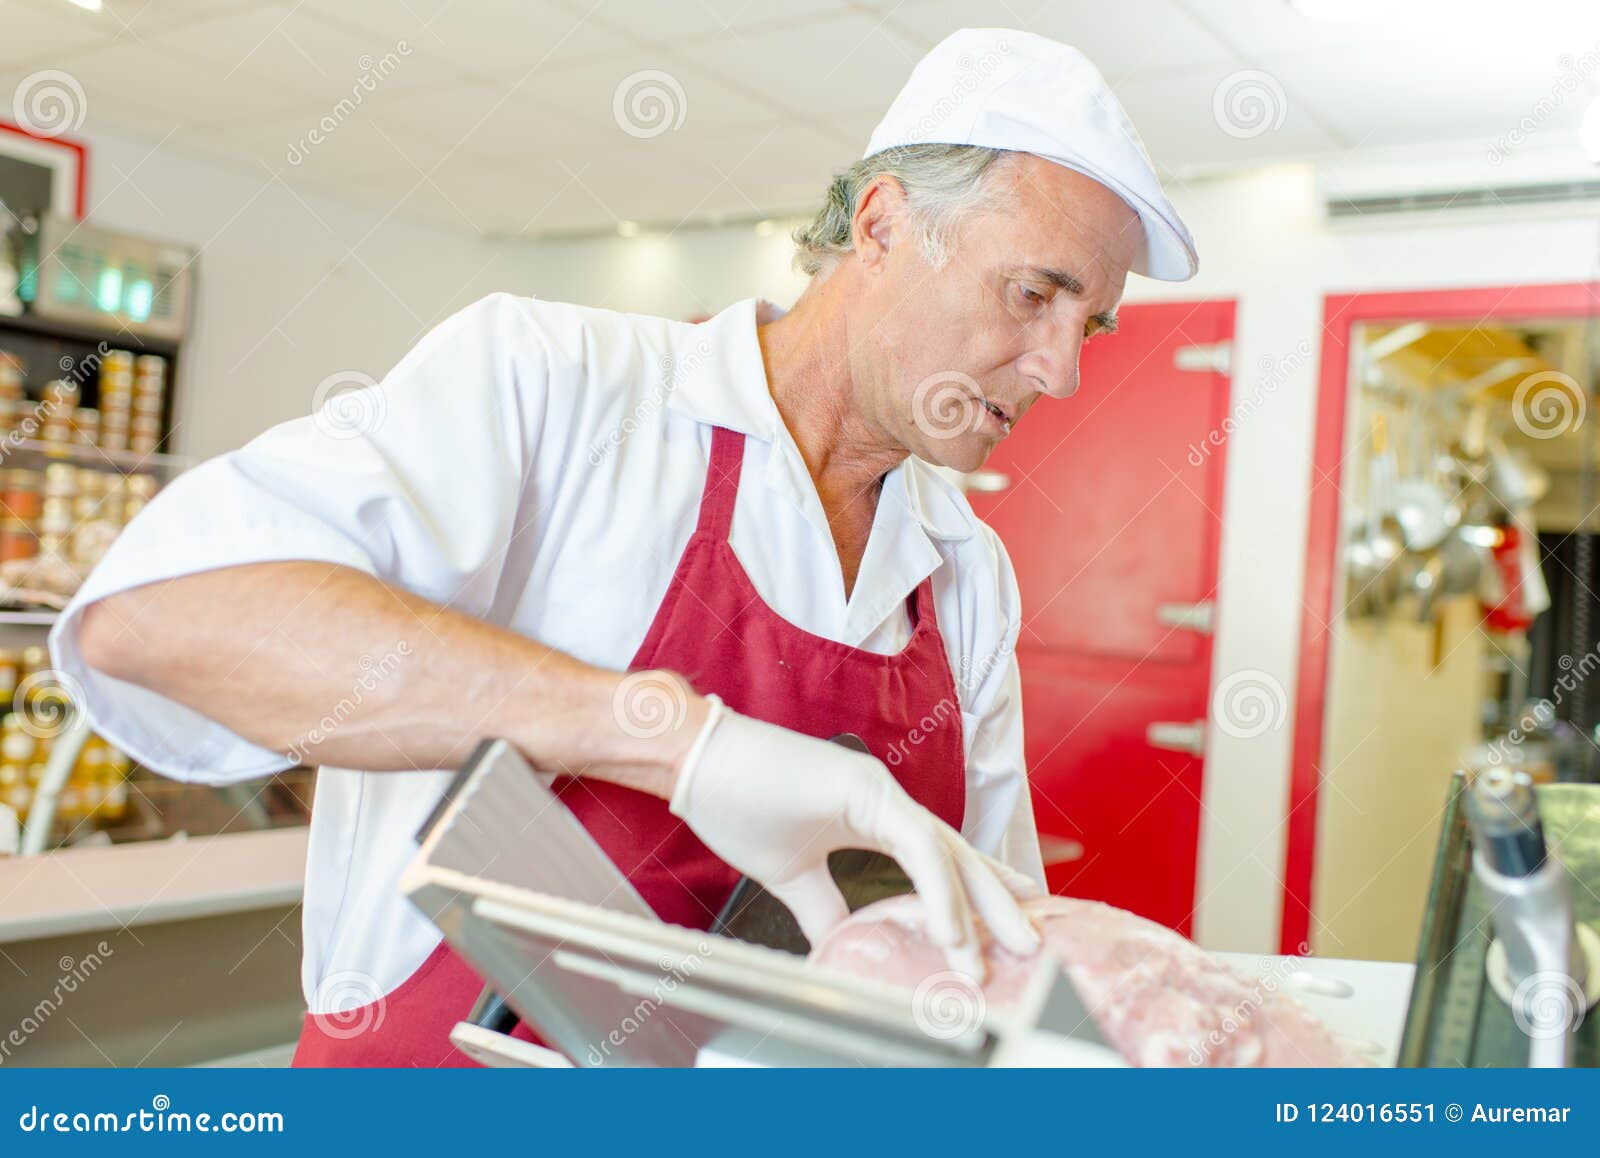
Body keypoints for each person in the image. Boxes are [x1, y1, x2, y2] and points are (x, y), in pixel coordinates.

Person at [52, 28, 1197, 1066]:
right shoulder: (555, 387)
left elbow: (986, 938)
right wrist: (678, 745)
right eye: (1033, 295)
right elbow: (161, 615)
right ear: (883, 223)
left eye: (1085, 322)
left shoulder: (966, 574)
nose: (1060, 371)